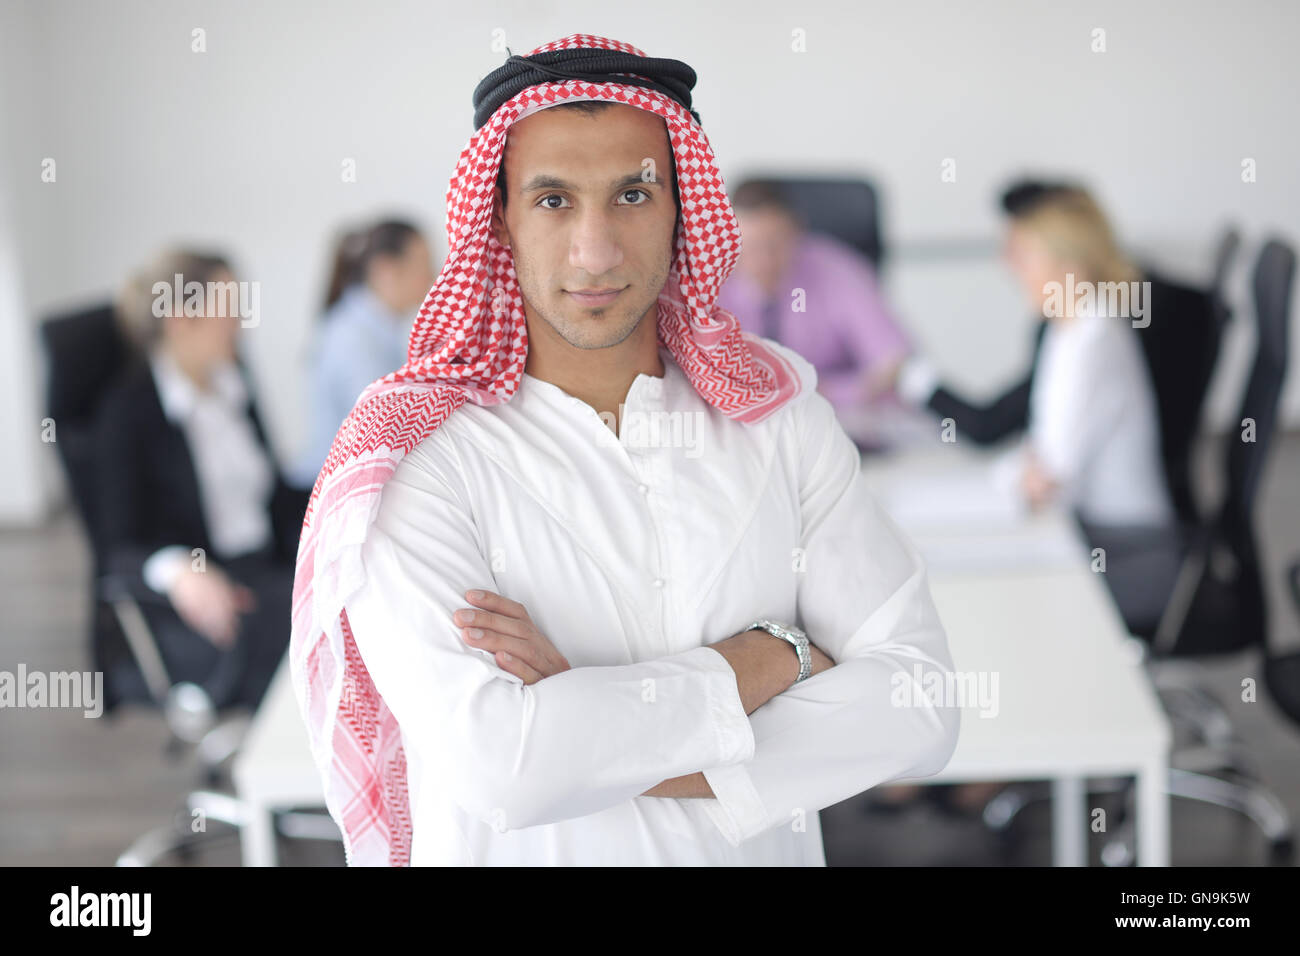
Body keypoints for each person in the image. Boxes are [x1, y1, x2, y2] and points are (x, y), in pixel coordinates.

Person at [289, 34, 960, 867]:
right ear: (498, 216)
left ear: (684, 208)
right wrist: (776, 656)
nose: (596, 250)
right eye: (553, 200)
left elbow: (922, 703)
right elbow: (503, 770)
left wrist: (587, 720)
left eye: (634, 196)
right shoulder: (417, 458)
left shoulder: (778, 415)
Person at [94, 249, 309, 711]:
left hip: (267, 565)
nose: (240, 322)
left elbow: (271, 493)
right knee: (315, 634)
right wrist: (178, 571)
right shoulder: (127, 414)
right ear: (180, 319)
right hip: (208, 589)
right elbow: (116, 545)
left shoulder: (233, 384)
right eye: (228, 307)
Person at [716, 178, 911, 425]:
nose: (765, 260)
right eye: (751, 246)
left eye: (775, 244)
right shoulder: (708, 282)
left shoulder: (837, 270)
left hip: (836, 422)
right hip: (741, 429)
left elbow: (894, 363)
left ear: (797, 233)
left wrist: (819, 393)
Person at [292, 219, 436, 486]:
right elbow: (382, 430)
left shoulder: (382, 330)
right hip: (327, 492)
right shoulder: (352, 337)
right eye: (424, 264)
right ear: (385, 269)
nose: (434, 276)